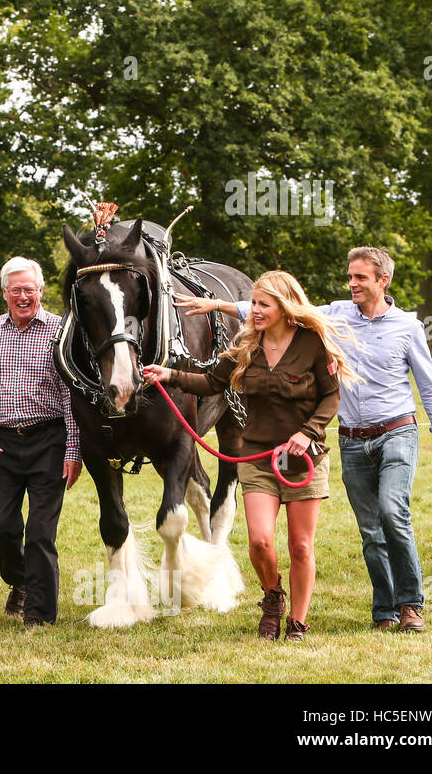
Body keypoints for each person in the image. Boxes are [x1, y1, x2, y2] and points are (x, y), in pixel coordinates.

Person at [176, 247, 432, 632]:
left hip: (396, 430)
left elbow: (429, 385)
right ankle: (384, 610)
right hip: (352, 438)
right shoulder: (335, 313)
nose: (352, 283)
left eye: (360, 278)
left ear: (382, 281)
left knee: (392, 513)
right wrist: (215, 303)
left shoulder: (406, 327)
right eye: (350, 276)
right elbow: (270, 309)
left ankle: (410, 605)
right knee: (371, 528)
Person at [147, 270, 358, 641]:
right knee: (259, 541)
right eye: (254, 304)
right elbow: (212, 382)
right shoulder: (247, 346)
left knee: (301, 545)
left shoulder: (312, 344)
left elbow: (331, 396)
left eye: (263, 304)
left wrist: (307, 434)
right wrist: (170, 375)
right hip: (259, 456)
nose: (254, 310)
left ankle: (297, 621)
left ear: (284, 306)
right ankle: (272, 596)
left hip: (302, 459)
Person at [0, 257, 82, 627]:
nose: (22, 296)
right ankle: (21, 581)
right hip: (0, 443)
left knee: (40, 533)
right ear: (4, 293)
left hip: (49, 440)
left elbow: (71, 396)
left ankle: (39, 614)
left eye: (29, 289)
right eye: (15, 290)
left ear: (41, 291)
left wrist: (73, 451)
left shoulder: (61, 331)